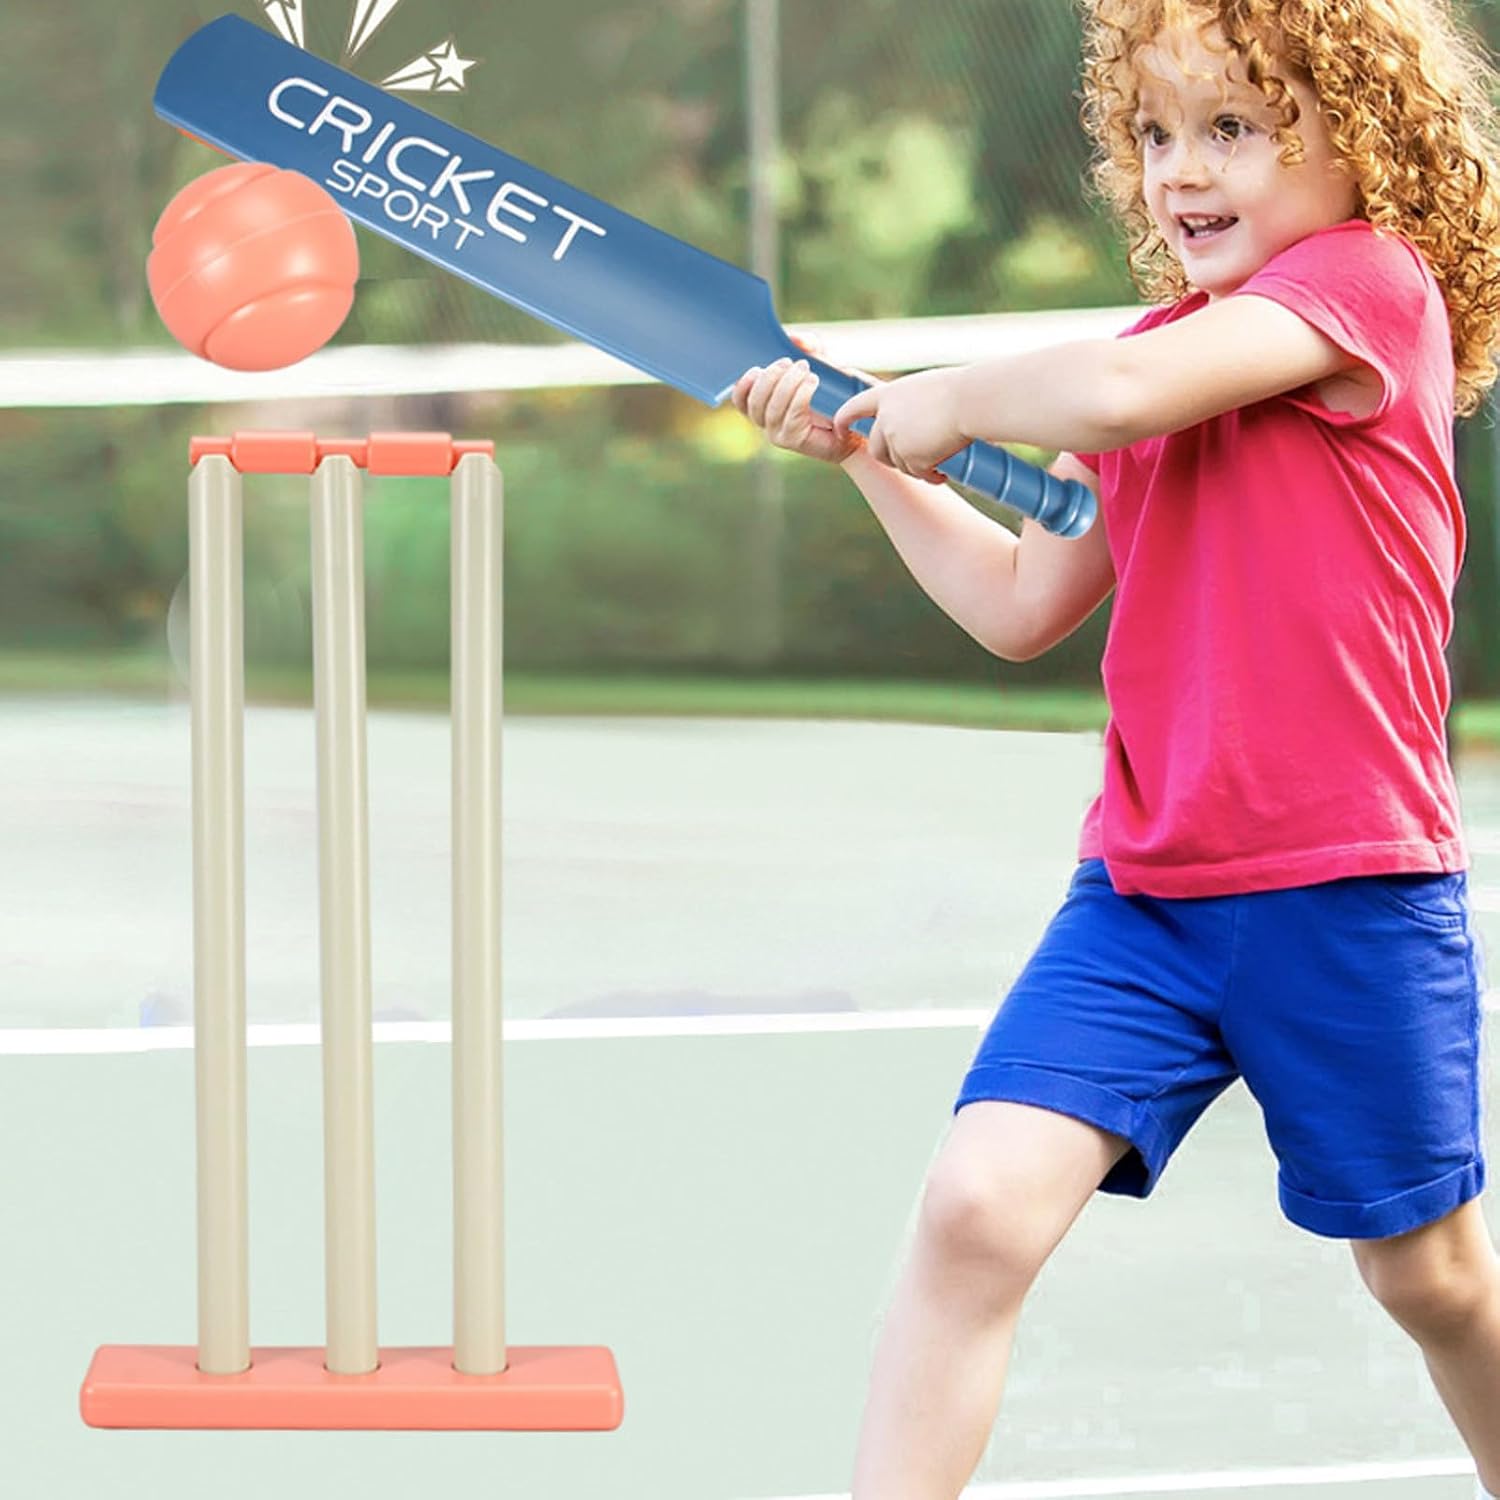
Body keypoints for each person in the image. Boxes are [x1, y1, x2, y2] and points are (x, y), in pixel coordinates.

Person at [731, 1, 1500, 1495]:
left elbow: (1118, 391)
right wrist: (869, 452)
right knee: (976, 1211)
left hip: (1347, 893)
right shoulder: (1150, 368)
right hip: (1144, 899)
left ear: (1362, 141)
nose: (1180, 170)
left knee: (1431, 1280)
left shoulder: (1370, 290)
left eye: (1234, 128)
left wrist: (944, 402)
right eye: (1154, 133)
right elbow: (1021, 601)